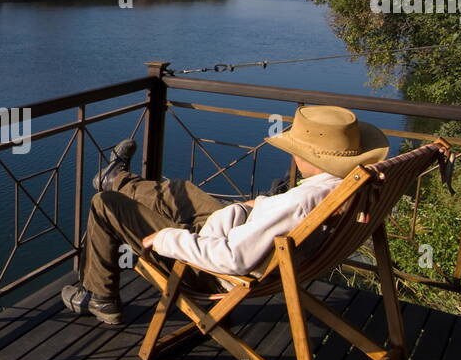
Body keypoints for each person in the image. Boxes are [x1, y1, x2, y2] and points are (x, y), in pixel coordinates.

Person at [61, 105, 389, 325]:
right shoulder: (351, 186)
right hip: (241, 238)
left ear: (303, 154)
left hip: (208, 269)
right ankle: (115, 178)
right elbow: (272, 222)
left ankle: (101, 297)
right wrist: (254, 207)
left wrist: (165, 238)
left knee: (106, 204)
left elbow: (232, 259)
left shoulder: (301, 202)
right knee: (184, 194)